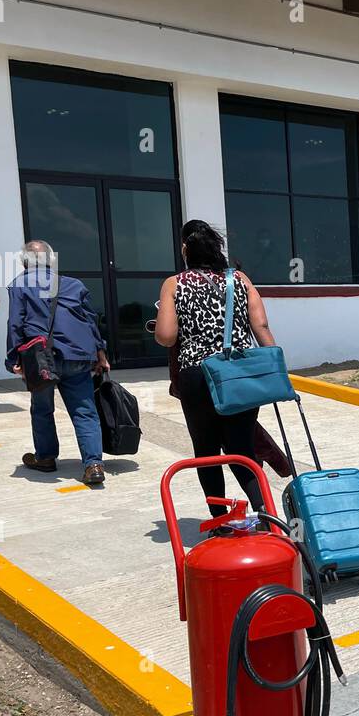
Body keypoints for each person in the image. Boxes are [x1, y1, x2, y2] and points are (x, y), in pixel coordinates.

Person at [154, 219, 276, 520]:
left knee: (207, 451)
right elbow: (260, 326)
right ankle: (266, 513)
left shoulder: (174, 284)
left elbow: (166, 336)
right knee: (242, 448)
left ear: (186, 248)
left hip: (197, 375)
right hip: (238, 373)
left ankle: (220, 519)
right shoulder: (241, 280)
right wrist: (275, 367)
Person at [6, 240, 111, 487]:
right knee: (84, 411)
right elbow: (91, 320)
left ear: (24, 262)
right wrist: (100, 352)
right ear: (51, 262)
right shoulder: (74, 285)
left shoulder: (20, 284)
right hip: (77, 355)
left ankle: (45, 458)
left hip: (40, 357)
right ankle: (93, 465)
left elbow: (15, 324)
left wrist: (13, 358)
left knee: (42, 409)